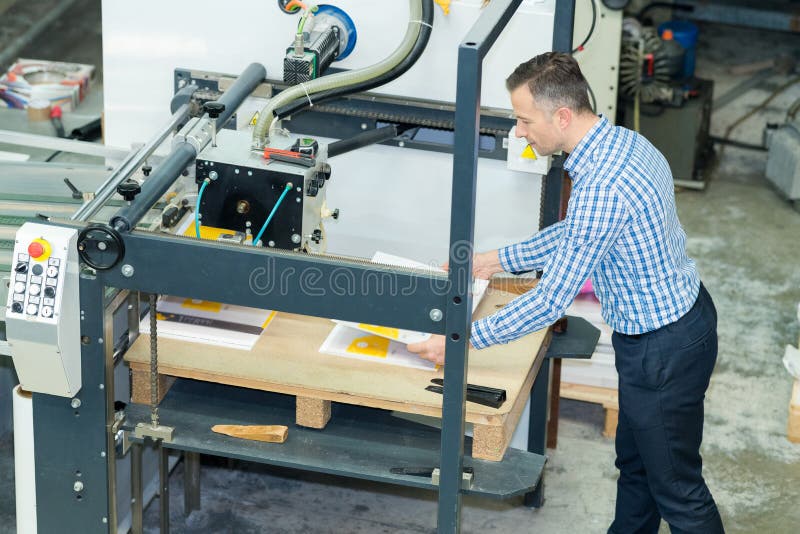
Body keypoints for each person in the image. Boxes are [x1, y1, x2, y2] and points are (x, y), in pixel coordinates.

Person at [407, 52, 724, 533]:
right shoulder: (623, 145)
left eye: (523, 119)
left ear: (561, 116)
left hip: (664, 350)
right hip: (676, 326)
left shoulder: (602, 185)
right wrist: (491, 262)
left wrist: (458, 341)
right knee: (638, 471)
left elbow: (550, 300)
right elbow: (578, 234)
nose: (518, 132)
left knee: (678, 493)